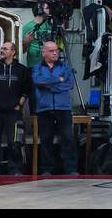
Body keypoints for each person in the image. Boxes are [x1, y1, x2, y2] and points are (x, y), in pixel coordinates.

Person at [0, 41, 30, 175]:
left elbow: (27, 89)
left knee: (15, 142)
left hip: (13, 112)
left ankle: (15, 169)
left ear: (13, 52)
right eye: (2, 48)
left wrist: (19, 104)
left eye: (5, 48)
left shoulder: (22, 69)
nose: (2, 50)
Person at [32, 41, 78, 175]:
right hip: (44, 108)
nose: (55, 53)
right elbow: (37, 81)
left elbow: (69, 85)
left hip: (63, 108)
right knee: (46, 139)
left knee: (68, 138)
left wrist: (49, 85)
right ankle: (47, 169)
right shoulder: (37, 68)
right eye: (51, 51)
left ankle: (71, 169)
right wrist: (58, 80)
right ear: (44, 52)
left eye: (56, 50)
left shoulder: (65, 67)